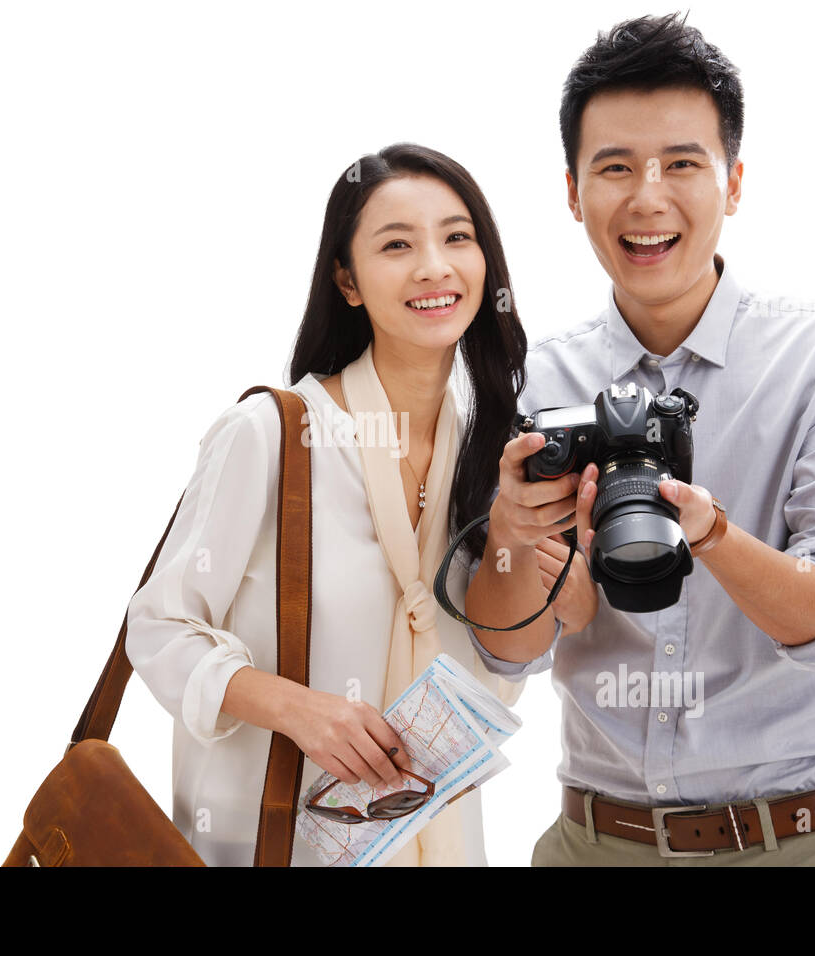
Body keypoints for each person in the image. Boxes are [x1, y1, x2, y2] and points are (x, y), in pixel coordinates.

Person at [463, 13, 815, 866]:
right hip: (598, 841)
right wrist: (518, 543)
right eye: (615, 167)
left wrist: (709, 534)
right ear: (571, 192)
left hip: (811, 843)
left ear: (734, 182)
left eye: (682, 164)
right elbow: (507, 652)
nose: (647, 197)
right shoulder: (533, 386)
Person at [126, 143, 531, 866]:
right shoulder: (273, 437)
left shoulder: (490, 456)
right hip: (264, 846)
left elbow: (494, 670)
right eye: (397, 244)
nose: (434, 265)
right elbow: (157, 629)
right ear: (347, 280)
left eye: (457, 236)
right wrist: (298, 709)